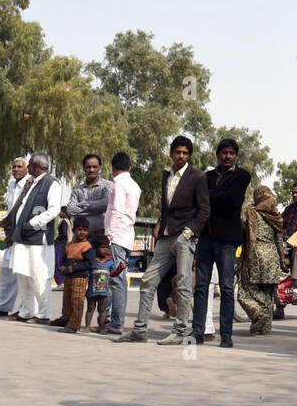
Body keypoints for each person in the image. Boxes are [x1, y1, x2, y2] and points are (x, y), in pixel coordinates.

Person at [115, 135, 209, 345]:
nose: (181, 156)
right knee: (148, 281)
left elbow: (204, 210)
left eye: (185, 153)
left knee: (184, 285)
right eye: (178, 152)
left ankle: (179, 331)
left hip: (184, 236)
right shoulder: (166, 174)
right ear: (171, 153)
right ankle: (140, 329)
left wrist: (190, 232)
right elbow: (166, 206)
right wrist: (160, 225)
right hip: (166, 236)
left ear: (189, 155)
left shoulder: (197, 177)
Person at [192, 138, 251, 349]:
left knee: (226, 287)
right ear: (218, 154)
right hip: (206, 235)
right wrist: (214, 197)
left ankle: (226, 334)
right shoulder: (206, 176)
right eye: (224, 152)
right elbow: (199, 201)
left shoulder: (242, 175)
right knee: (201, 285)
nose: (227, 156)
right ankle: (197, 330)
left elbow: (233, 201)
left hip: (227, 238)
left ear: (235, 155)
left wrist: (210, 196)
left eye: (231, 153)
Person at [10, 152, 64, 323]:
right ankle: (26, 311)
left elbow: (54, 210)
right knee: (23, 275)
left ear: (36, 166)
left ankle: (43, 314)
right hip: (22, 237)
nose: (28, 168)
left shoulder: (51, 183)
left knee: (39, 277)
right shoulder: (32, 183)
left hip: (38, 238)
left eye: (30, 165)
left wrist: (33, 223)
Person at [0, 158, 36, 318]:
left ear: (27, 169)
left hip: (24, 233)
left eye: (20, 166)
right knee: (7, 269)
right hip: (11, 233)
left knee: (24, 272)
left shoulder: (31, 185)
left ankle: (27, 309)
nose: (16, 169)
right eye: (14, 166)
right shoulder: (12, 185)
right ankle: (2, 306)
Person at [239, 186, 287, 333]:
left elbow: (243, 231)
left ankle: (258, 314)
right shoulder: (277, 216)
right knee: (267, 293)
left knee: (245, 291)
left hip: (255, 255)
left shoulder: (251, 212)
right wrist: (282, 261)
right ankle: (265, 327)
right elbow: (279, 241)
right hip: (272, 257)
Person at [103, 151, 141, 336]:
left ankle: (116, 322)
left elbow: (117, 210)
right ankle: (112, 319)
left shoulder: (119, 182)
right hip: (127, 236)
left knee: (116, 280)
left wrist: (109, 235)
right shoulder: (135, 185)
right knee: (118, 279)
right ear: (130, 167)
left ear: (113, 168)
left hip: (117, 236)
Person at [71, 234, 126, 332]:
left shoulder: (109, 262)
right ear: (95, 249)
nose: (105, 249)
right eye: (102, 247)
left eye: (107, 247)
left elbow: (113, 274)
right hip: (92, 291)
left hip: (104, 292)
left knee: (102, 311)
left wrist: (120, 269)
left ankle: (102, 327)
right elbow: (86, 273)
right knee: (90, 309)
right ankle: (87, 327)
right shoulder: (92, 262)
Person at [57, 217, 92, 331]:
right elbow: (63, 258)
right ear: (74, 231)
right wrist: (63, 267)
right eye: (79, 229)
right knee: (67, 301)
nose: (82, 232)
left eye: (85, 230)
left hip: (80, 277)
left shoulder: (87, 246)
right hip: (68, 276)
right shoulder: (70, 244)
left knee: (77, 301)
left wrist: (73, 268)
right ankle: (68, 323)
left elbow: (88, 263)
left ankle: (74, 326)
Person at [67, 154, 114, 235]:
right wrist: (97, 208)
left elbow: (106, 204)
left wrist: (82, 204)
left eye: (95, 167)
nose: (92, 170)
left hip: (100, 238)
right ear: (84, 168)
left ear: (100, 167)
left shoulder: (108, 186)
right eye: (88, 167)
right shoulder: (77, 189)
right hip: (80, 238)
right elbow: (70, 210)